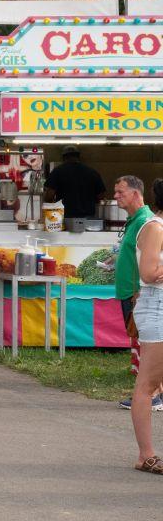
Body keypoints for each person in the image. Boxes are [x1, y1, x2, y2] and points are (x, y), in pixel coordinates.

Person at [113, 176, 162, 410]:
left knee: (147, 346)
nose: (116, 196)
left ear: (136, 193)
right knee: (141, 344)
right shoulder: (135, 220)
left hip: (139, 293)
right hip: (130, 291)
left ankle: (153, 394)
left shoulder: (147, 221)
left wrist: (140, 290)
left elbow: (150, 268)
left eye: (121, 192)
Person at [131, 178, 163, 474]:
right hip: (157, 308)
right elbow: (150, 272)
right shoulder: (155, 228)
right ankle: (146, 455)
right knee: (149, 385)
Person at [44, 145, 106, 219]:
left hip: (65, 216)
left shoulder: (57, 172)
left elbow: (49, 196)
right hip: (88, 217)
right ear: (78, 156)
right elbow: (101, 196)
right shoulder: (92, 172)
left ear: (64, 157)